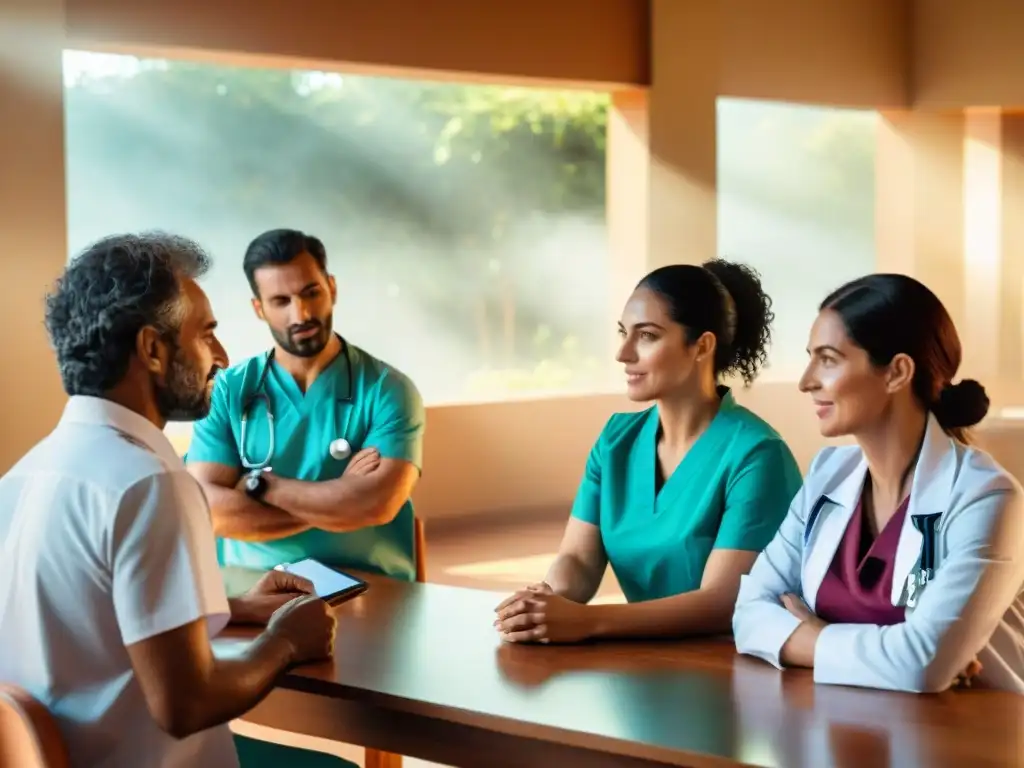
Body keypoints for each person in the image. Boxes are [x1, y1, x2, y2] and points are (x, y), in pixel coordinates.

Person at [0, 233, 349, 766]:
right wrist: (285, 642)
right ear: (153, 350)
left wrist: (231, 608)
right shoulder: (149, 482)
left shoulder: (24, 476)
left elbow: (86, 622)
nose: (223, 358)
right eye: (206, 334)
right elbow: (185, 704)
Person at [733, 273, 1024, 694]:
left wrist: (814, 637)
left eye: (829, 359)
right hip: (851, 732)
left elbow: (921, 664)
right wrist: (884, 653)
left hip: (970, 741)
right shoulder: (827, 475)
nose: (806, 381)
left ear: (896, 373)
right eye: (810, 357)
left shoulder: (986, 496)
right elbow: (749, 614)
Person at [494, 260, 802, 643]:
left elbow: (723, 602)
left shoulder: (757, 455)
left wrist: (586, 622)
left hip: (735, 668)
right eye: (624, 333)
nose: (623, 353)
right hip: (643, 661)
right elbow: (578, 560)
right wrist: (545, 602)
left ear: (702, 346)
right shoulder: (615, 440)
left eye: (647, 336)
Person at [185, 229, 425, 581]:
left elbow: (377, 503)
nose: (301, 315)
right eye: (281, 301)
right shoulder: (227, 391)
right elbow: (208, 511)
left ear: (332, 288)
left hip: (370, 585)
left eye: (311, 293)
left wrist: (259, 485)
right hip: (254, 586)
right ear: (259, 308)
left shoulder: (387, 390)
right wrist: (341, 501)